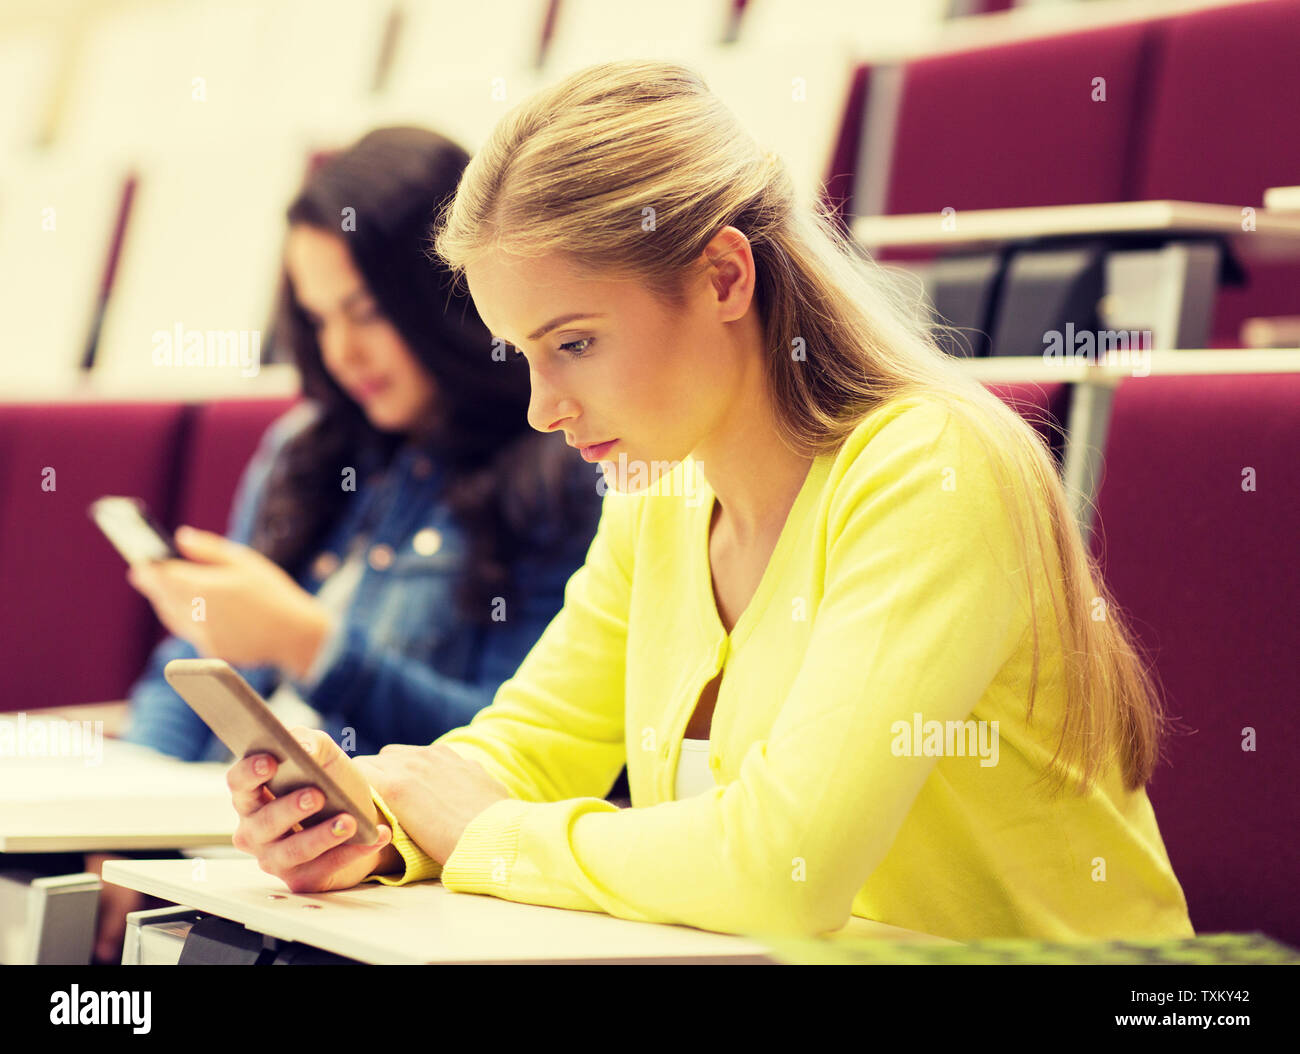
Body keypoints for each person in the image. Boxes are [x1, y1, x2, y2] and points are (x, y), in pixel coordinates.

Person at [225, 61, 1195, 942]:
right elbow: (531, 746)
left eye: (572, 343)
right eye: (521, 354)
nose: (543, 406)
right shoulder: (659, 485)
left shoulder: (934, 466)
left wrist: (484, 832)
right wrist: (376, 825)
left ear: (724, 274)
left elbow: (784, 869)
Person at [89, 126, 604, 963]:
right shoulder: (306, 448)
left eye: (365, 312)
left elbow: (520, 754)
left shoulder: (560, 468)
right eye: (318, 317)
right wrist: (116, 831)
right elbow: (180, 680)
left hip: (374, 907)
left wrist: (312, 647)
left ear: (447, 299)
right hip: (230, 868)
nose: (341, 351)